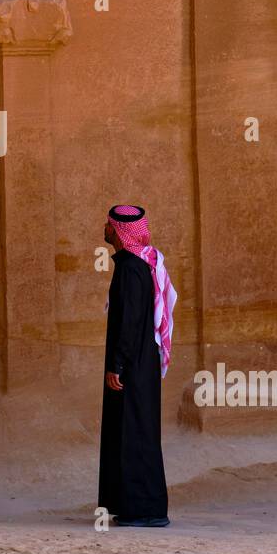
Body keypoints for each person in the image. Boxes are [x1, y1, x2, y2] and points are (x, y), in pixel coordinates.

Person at [99, 204, 177, 527]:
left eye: (108, 225)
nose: (104, 229)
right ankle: (134, 506)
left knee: (135, 433)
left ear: (117, 232)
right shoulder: (138, 265)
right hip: (140, 362)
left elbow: (130, 322)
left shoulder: (132, 269)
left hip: (132, 365)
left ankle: (145, 509)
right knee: (134, 430)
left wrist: (117, 364)